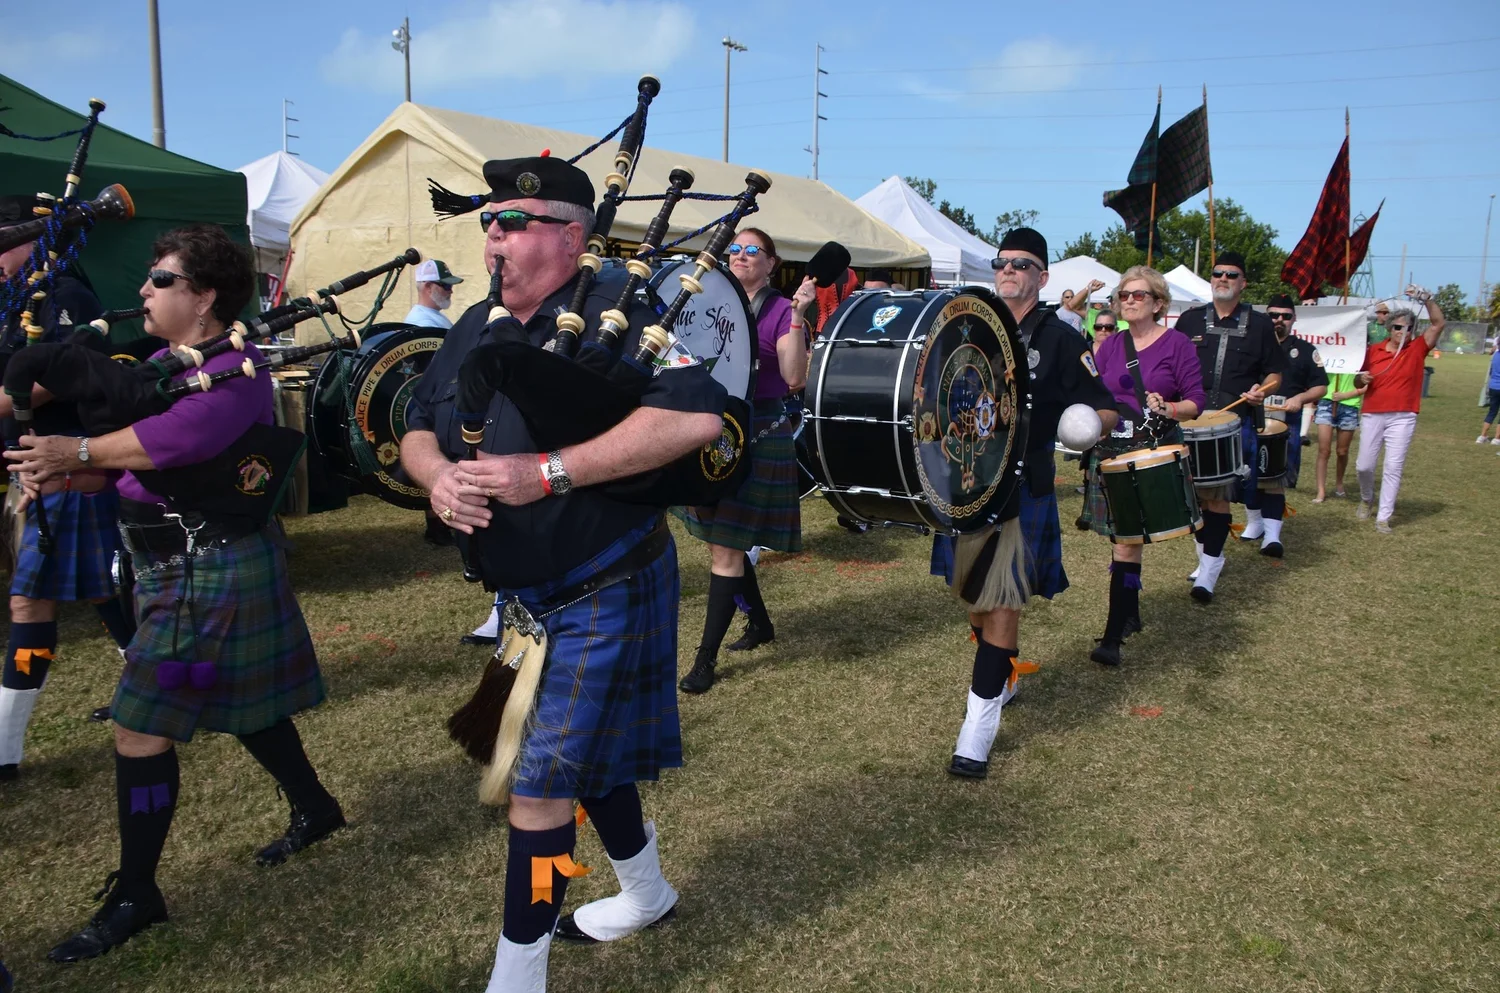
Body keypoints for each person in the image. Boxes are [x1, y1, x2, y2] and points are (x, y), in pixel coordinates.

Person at [398, 156, 724, 990]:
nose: (494, 237)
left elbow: (695, 422)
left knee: (537, 792)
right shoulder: (473, 322)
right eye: (488, 222)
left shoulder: (630, 310)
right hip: (523, 599)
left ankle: (516, 978)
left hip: (603, 579)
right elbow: (416, 426)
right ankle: (647, 893)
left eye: (514, 220)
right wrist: (436, 475)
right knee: (595, 764)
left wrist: (546, 473)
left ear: (572, 236)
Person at [4, 225, 344, 962]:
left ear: (205, 296)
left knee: (138, 728)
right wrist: (69, 471)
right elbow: (141, 471)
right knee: (246, 705)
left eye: (160, 280)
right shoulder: (169, 363)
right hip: (181, 567)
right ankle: (317, 806)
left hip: (207, 569)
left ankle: (137, 891)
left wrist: (80, 450)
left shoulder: (236, 373)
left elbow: (173, 443)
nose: (143, 291)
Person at [930, 228, 1117, 778]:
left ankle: (977, 729)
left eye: (1022, 264)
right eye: (1002, 262)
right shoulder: (969, 327)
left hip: (1020, 484)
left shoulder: (1061, 338)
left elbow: (1103, 404)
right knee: (975, 600)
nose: (1009, 270)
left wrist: (1087, 426)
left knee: (1003, 601)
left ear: (1043, 277)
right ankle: (1004, 674)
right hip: (962, 483)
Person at [0, 193, 135, 782]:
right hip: (33, 473)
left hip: (72, 473)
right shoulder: (15, 300)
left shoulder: (68, 298)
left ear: (31, 239)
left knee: (37, 603)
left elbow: (57, 379)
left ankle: (4, 747)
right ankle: (154, 687)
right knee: (105, 596)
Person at [678, 229, 806, 694]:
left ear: (772, 263)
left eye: (753, 251)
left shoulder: (781, 311)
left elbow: (793, 377)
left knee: (727, 547)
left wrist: (799, 317)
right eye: (734, 249)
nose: (741, 256)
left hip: (760, 430)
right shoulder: (709, 297)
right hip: (711, 426)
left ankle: (704, 661)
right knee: (722, 541)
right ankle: (762, 625)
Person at [1081, 267, 1205, 666]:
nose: (1129, 300)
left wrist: (1169, 407)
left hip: (1153, 451)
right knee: (1125, 541)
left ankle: (1114, 635)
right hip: (1113, 453)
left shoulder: (1177, 344)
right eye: (1124, 295)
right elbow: (1098, 393)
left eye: (1139, 295)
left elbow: (1196, 400)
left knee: (1127, 543)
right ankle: (1129, 612)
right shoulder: (1109, 345)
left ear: (1158, 303)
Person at [1177, 252, 1284, 602]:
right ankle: (1206, 556)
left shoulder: (1261, 324)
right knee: (1190, 500)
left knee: (1218, 499)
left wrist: (1261, 391)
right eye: (1217, 273)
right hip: (1190, 422)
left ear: (1243, 283)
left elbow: (1275, 375)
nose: (1223, 278)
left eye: (1231, 274)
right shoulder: (1190, 321)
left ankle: (1208, 572)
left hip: (1234, 424)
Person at [1354, 293, 1445, 533]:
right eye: (1396, 327)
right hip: (1373, 413)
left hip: (1403, 416)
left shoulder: (1417, 348)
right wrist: (1361, 378)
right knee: (1364, 465)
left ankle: (1383, 517)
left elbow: (1438, 324)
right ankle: (1366, 498)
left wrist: (1427, 299)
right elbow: (1356, 380)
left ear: (1413, 330)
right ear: (1389, 328)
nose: (1401, 331)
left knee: (1393, 467)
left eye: (1407, 328)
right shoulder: (1373, 351)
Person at [1247, 295, 1327, 556]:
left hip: (1285, 423)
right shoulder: (1250, 346)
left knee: (1275, 479)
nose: (1278, 320)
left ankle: (1272, 537)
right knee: (1248, 475)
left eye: (1285, 315)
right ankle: (1254, 523)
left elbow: (1321, 386)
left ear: (1294, 319)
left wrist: (1300, 398)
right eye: (1273, 315)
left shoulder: (1304, 350)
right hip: (1252, 418)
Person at [1311, 372, 1366, 502]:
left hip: (1350, 406)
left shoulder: (1358, 354)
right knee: (1324, 450)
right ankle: (1321, 491)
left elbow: (1366, 385)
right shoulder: (1327, 353)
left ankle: (1339, 483)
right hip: (1326, 403)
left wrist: (1346, 395)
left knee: (1342, 451)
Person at [402, 259, 464, 330]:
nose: (451, 291)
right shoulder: (422, 322)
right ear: (429, 287)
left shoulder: (432, 315)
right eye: (447, 286)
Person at [1476, 343, 1500, 444]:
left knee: (1492, 411)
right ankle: (1497, 438)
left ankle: (1483, 436)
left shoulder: (1495, 355)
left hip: (1493, 386)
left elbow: (1491, 371)